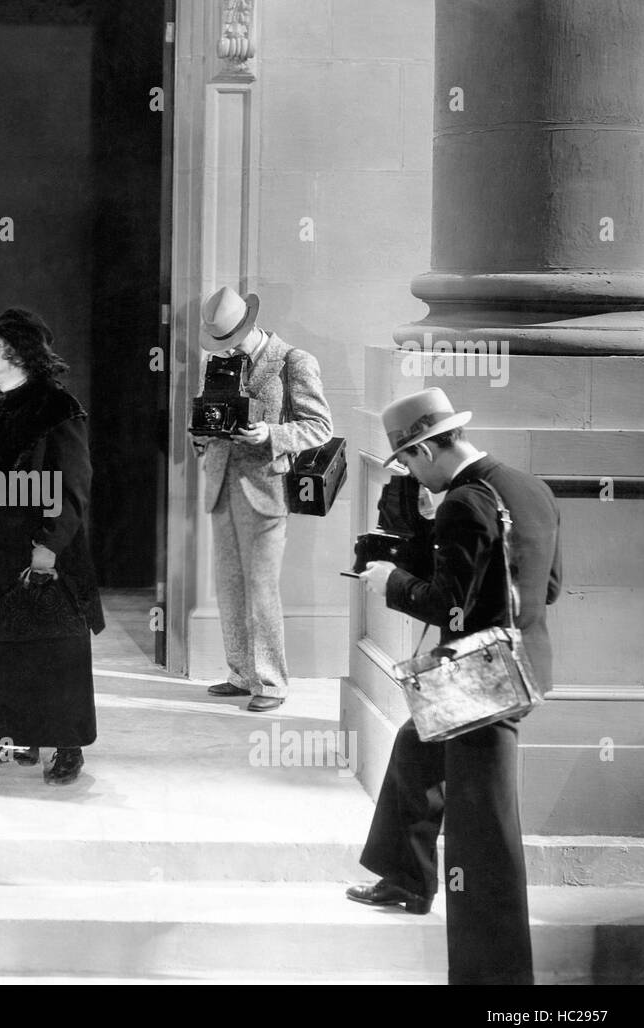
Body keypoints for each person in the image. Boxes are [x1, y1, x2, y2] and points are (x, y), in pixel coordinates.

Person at [350, 387, 562, 986]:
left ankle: (497, 985)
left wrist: (391, 583)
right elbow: (546, 589)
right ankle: (405, 878)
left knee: (484, 834)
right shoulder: (529, 486)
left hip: (481, 683)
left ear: (423, 450)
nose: (413, 477)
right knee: (415, 747)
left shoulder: (463, 504)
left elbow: (450, 608)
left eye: (409, 463)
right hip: (522, 664)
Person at [0, 308, 104, 785]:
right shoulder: (1, 402)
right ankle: (13, 737)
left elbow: (73, 485)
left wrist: (49, 548)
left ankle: (67, 746)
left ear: (14, 354)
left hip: (40, 552)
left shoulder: (57, 407)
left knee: (50, 648)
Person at [192, 285, 332, 712]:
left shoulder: (293, 361)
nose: (226, 349)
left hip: (267, 487)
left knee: (262, 587)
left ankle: (271, 682)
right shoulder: (219, 364)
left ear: (249, 326)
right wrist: (202, 436)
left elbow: (319, 427)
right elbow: (211, 417)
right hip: (222, 483)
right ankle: (240, 673)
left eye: (231, 340)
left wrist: (271, 433)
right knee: (229, 586)